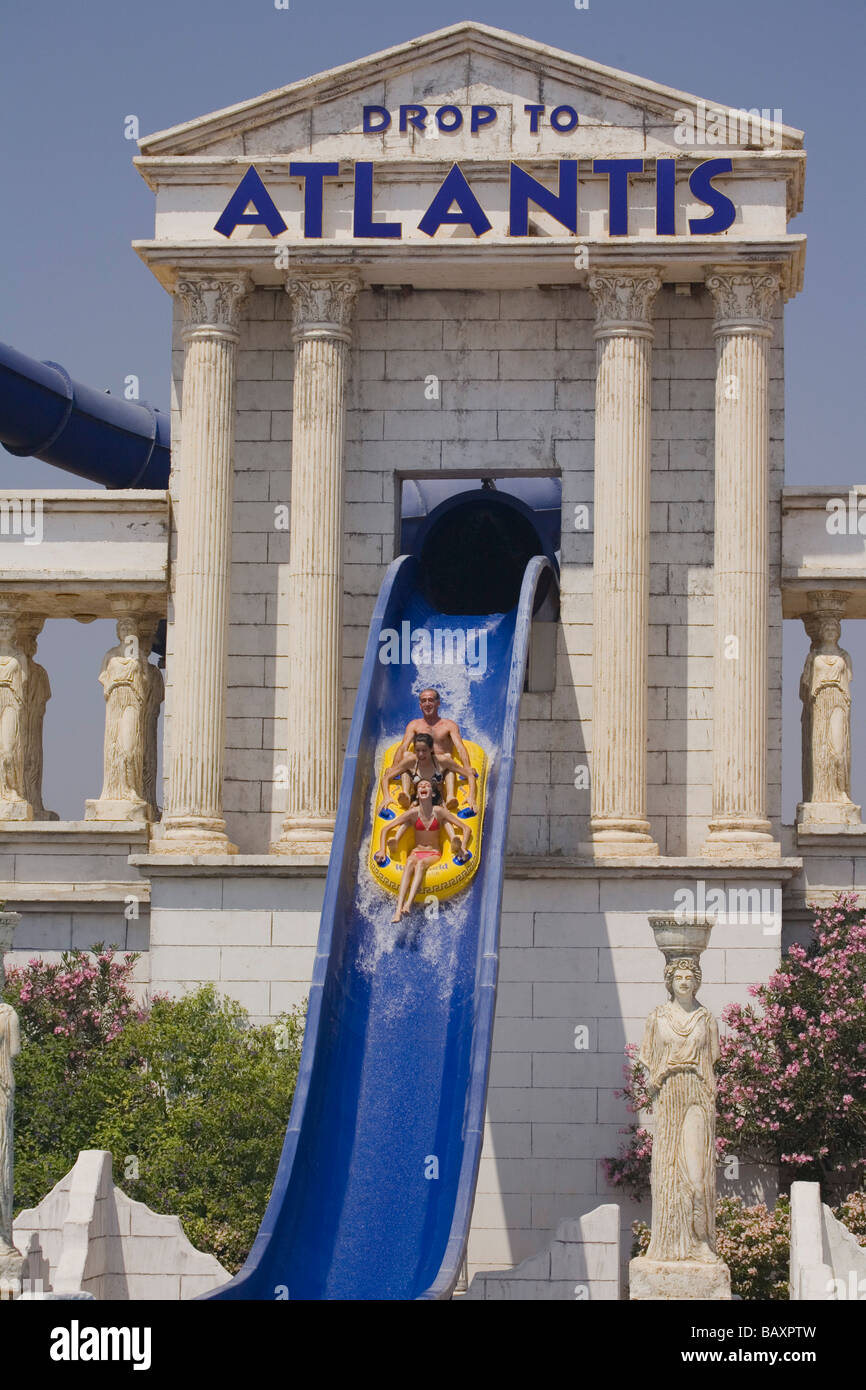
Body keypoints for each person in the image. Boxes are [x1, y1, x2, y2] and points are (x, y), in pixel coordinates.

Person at [639, 956, 721, 1263]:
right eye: (679, 976)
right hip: (669, 1095)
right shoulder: (657, 1018)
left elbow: (711, 1060)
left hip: (697, 1094)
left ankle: (701, 1241)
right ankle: (670, 1244)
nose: (684, 981)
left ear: (696, 981)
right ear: (670, 981)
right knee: (667, 1171)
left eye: (689, 976)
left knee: (696, 1175)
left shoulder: (706, 1019)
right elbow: (649, 1064)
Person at [374, 780, 473, 923]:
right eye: (420, 786)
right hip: (416, 851)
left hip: (433, 853)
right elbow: (385, 829)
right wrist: (382, 850)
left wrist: (463, 847)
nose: (423, 787)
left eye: (426, 785)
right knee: (409, 863)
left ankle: (408, 904)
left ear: (432, 793)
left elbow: (466, 828)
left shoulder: (438, 811)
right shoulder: (413, 813)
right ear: (418, 794)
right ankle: (398, 910)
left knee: (420, 864)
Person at [395, 689, 476, 812]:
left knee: (449, 760)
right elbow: (403, 746)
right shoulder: (414, 725)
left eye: (431, 700)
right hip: (420, 767)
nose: (427, 704)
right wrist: (394, 766)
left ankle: (449, 798)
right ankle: (406, 794)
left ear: (438, 703)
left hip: (441, 768)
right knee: (407, 757)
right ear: (420, 705)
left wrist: (467, 766)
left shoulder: (449, 725)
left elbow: (460, 746)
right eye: (424, 701)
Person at [378, 731, 476, 818]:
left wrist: (471, 797)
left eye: (424, 750)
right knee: (405, 770)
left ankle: (450, 797)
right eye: (417, 750)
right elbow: (386, 778)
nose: (420, 754)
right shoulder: (410, 761)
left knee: (450, 770)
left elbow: (470, 776)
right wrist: (386, 797)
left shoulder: (443, 761)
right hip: (417, 792)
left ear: (431, 750)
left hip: (437, 792)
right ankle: (406, 795)